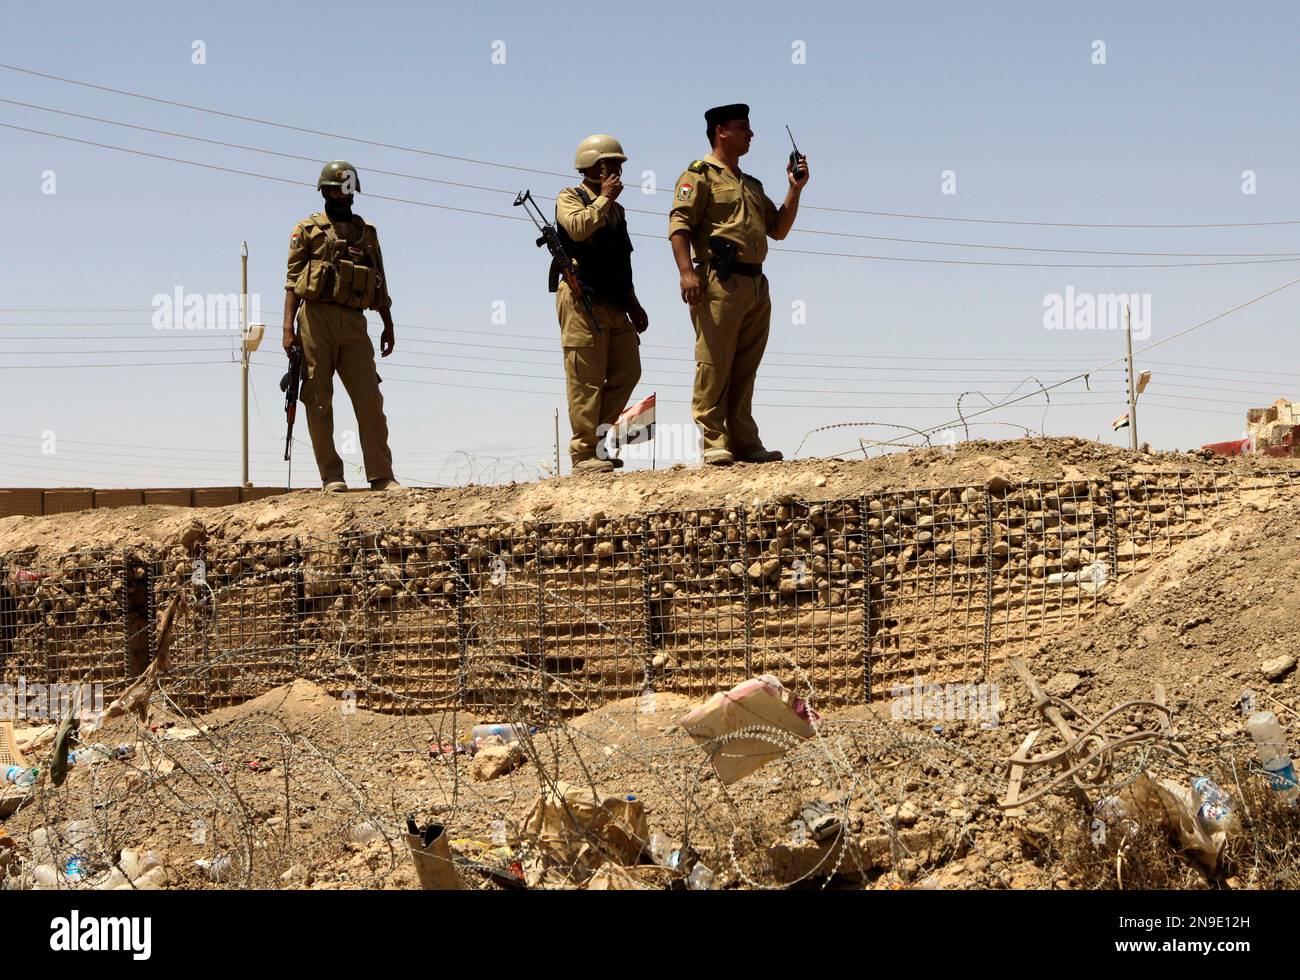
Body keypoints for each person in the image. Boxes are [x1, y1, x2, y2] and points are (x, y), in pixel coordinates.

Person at [668, 104, 809, 465]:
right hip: (719, 281)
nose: (751, 134)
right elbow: (679, 225)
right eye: (743, 127)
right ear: (721, 132)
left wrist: (795, 188)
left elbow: (778, 229)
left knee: (746, 366)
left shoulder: (750, 185)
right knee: (714, 363)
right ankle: (714, 441)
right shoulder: (697, 175)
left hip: (755, 283)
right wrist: (687, 272)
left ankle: (745, 441)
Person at [283, 160, 399, 492]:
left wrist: (387, 324)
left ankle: (382, 474)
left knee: (370, 400)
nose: (341, 195)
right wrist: (287, 330)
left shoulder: (366, 234)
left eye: (346, 189)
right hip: (315, 319)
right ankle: (331, 476)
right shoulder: (307, 229)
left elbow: (381, 283)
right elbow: (292, 282)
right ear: (324, 191)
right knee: (318, 398)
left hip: (354, 321)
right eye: (335, 188)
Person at [553, 134, 649, 474]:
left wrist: (634, 304)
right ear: (594, 165)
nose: (618, 170)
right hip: (582, 299)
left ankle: (598, 440)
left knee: (628, 369)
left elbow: (622, 261)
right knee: (586, 378)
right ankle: (583, 454)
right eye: (613, 164)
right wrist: (604, 199)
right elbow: (578, 228)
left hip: (614, 301)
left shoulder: (617, 210)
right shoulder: (570, 197)